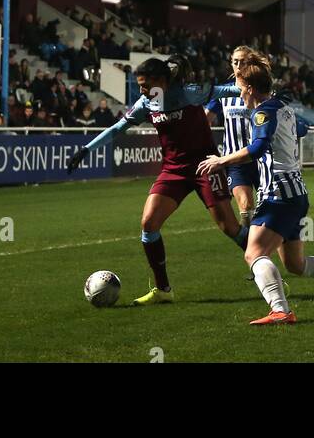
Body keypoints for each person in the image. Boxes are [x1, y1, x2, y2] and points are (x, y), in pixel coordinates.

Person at [198, 58, 314, 325]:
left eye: (241, 87)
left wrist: (221, 160)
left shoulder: (263, 112)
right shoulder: (283, 108)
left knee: (253, 253)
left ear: (251, 88)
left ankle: (281, 310)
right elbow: (301, 129)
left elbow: (256, 149)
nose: (238, 92)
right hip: (296, 192)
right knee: (295, 264)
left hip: (279, 194)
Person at [66, 56, 245, 306]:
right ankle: (163, 290)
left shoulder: (188, 93)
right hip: (173, 170)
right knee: (149, 224)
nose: (141, 90)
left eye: (145, 84)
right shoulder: (146, 103)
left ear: (162, 81)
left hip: (206, 165)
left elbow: (230, 90)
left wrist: (268, 91)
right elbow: (117, 128)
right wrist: (86, 149)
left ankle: (263, 261)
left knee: (230, 228)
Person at [206, 46, 265, 227]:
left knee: (268, 210)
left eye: (243, 61)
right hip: (235, 161)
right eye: (235, 61)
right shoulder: (222, 93)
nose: (239, 65)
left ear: (251, 63)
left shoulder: (262, 91)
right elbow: (204, 121)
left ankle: (264, 248)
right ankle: (253, 251)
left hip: (262, 159)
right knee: (246, 210)